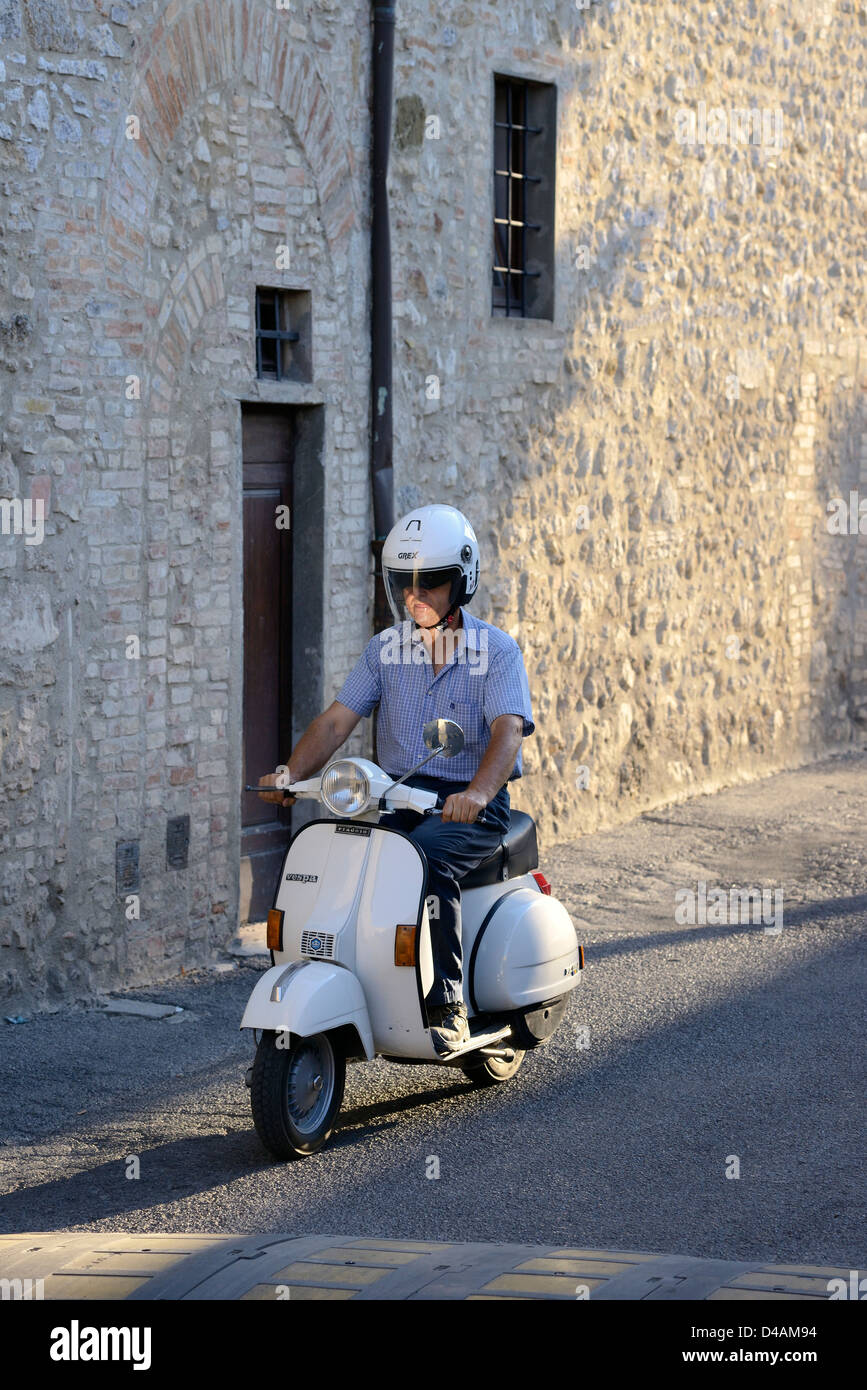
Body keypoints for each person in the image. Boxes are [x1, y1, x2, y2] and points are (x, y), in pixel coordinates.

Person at [258, 504, 535, 1055]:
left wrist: (477, 792)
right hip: (397, 797)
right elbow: (338, 719)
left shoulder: (496, 652)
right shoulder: (386, 650)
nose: (416, 596)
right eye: (404, 584)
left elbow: (507, 731)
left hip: (470, 806)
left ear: (462, 581)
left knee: (426, 858)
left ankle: (445, 1001)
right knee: (341, 851)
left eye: (430, 583)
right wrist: (291, 773)